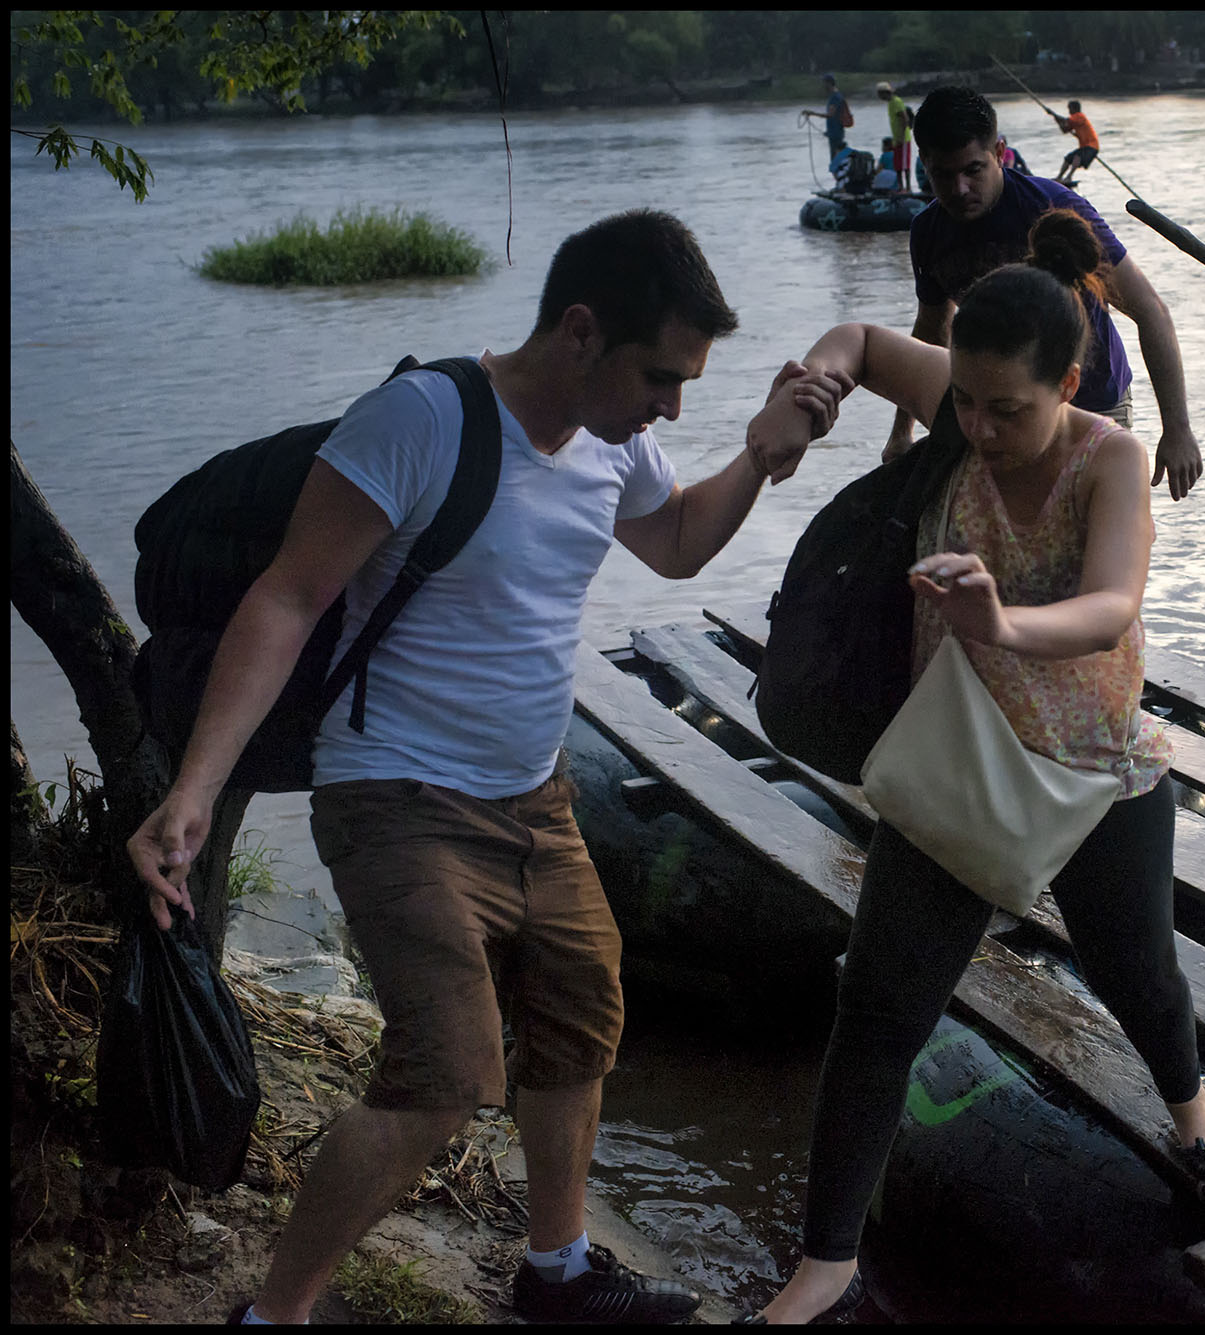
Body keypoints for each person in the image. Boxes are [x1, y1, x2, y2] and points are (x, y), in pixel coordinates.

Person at [125, 209, 851, 1325]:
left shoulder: (614, 443)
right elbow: (288, 596)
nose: (671, 405)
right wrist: (195, 790)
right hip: (397, 795)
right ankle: (272, 1314)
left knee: (579, 1017)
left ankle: (554, 1269)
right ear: (577, 332)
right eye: (659, 376)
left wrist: (758, 454)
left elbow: (675, 547)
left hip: (535, 797)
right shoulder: (420, 419)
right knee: (450, 1074)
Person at [737, 208, 1205, 1326]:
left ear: (1069, 381)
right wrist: (808, 390)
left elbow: (1111, 607)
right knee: (876, 1009)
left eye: (1006, 408)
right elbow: (862, 342)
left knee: (1136, 968)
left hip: (1093, 773)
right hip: (958, 760)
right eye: (963, 400)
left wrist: (1001, 623)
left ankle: (1189, 1097)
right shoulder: (963, 406)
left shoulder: (1111, 458)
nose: (978, 425)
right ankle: (825, 1264)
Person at [886, 85, 1204, 502]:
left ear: (999, 152)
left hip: (1092, 404)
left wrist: (1177, 429)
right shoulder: (928, 231)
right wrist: (900, 433)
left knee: (1086, 543)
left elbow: (1149, 310)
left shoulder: (1054, 208)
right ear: (924, 164)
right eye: (942, 175)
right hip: (999, 410)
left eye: (973, 170)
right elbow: (932, 328)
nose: (960, 189)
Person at [800, 72, 851, 168]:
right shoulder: (834, 96)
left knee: (835, 162)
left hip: (836, 134)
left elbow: (830, 115)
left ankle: (842, 181)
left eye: (824, 83)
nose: (823, 86)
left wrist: (812, 113)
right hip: (834, 133)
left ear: (829, 83)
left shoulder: (835, 97)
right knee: (837, 161)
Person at [1050, 98, 1099, 185]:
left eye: (1070, 109)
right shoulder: (1074, 120)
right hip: (1085, 147)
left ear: (1074, 109)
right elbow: (1064, 129)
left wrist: (1053, 114)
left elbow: (1065, 120)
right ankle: (1059, 177)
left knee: (1077, 156)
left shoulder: (1080, 116)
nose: (1069, 111)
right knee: (1068, 158)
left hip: (1091, 146)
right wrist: (1056, 119)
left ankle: (1069, 177)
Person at [876, 79, 913, 192]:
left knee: (905, 165)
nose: (879, 96)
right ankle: (900, 187)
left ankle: (908, 187)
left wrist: (901, 137)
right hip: (896, 139)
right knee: (897, 165)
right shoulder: (890, 103)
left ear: (885, 92)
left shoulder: (896, 102)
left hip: (903, 139)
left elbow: (904, 119)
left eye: (880, 94)